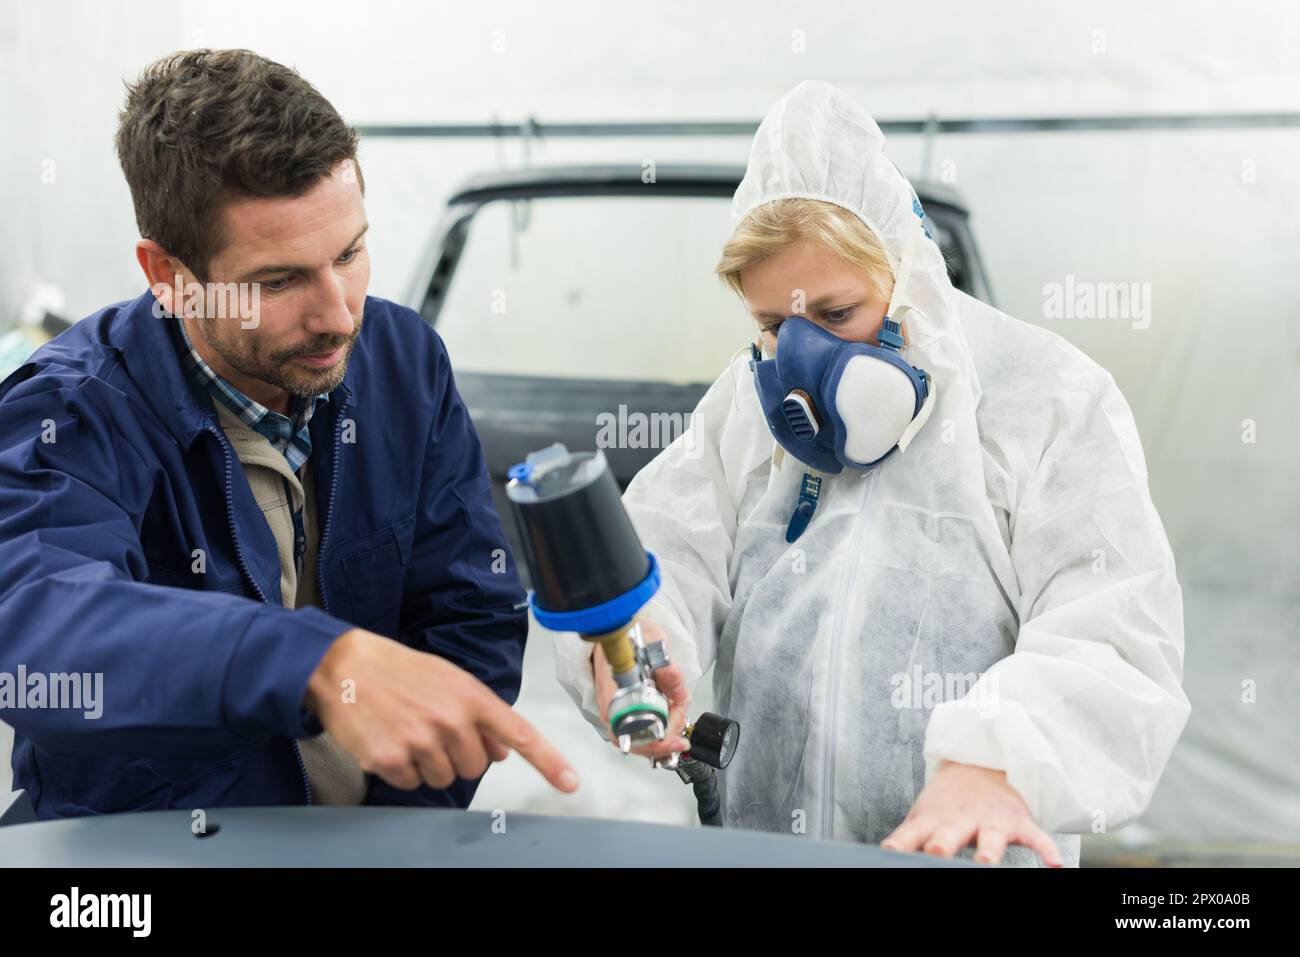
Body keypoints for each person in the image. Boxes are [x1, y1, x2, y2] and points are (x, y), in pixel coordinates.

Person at [557, 81, 1190, 866]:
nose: (801, 363)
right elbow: (662, 558)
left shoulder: (1047, 401)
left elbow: (1116, 635)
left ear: (909, 273)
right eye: (773, 325)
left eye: (834, 315)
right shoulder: (742, 414)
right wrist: (633, 650)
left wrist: (994, 760)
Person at [0, 49, 578, 819]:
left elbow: (470, 614)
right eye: (277, 282)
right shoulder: (70, 415)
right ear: (166, 273)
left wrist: (398, 832)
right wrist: (311, 663)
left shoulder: (402, 363)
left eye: (349, 253)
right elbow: (41, 629)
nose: (338, 315)